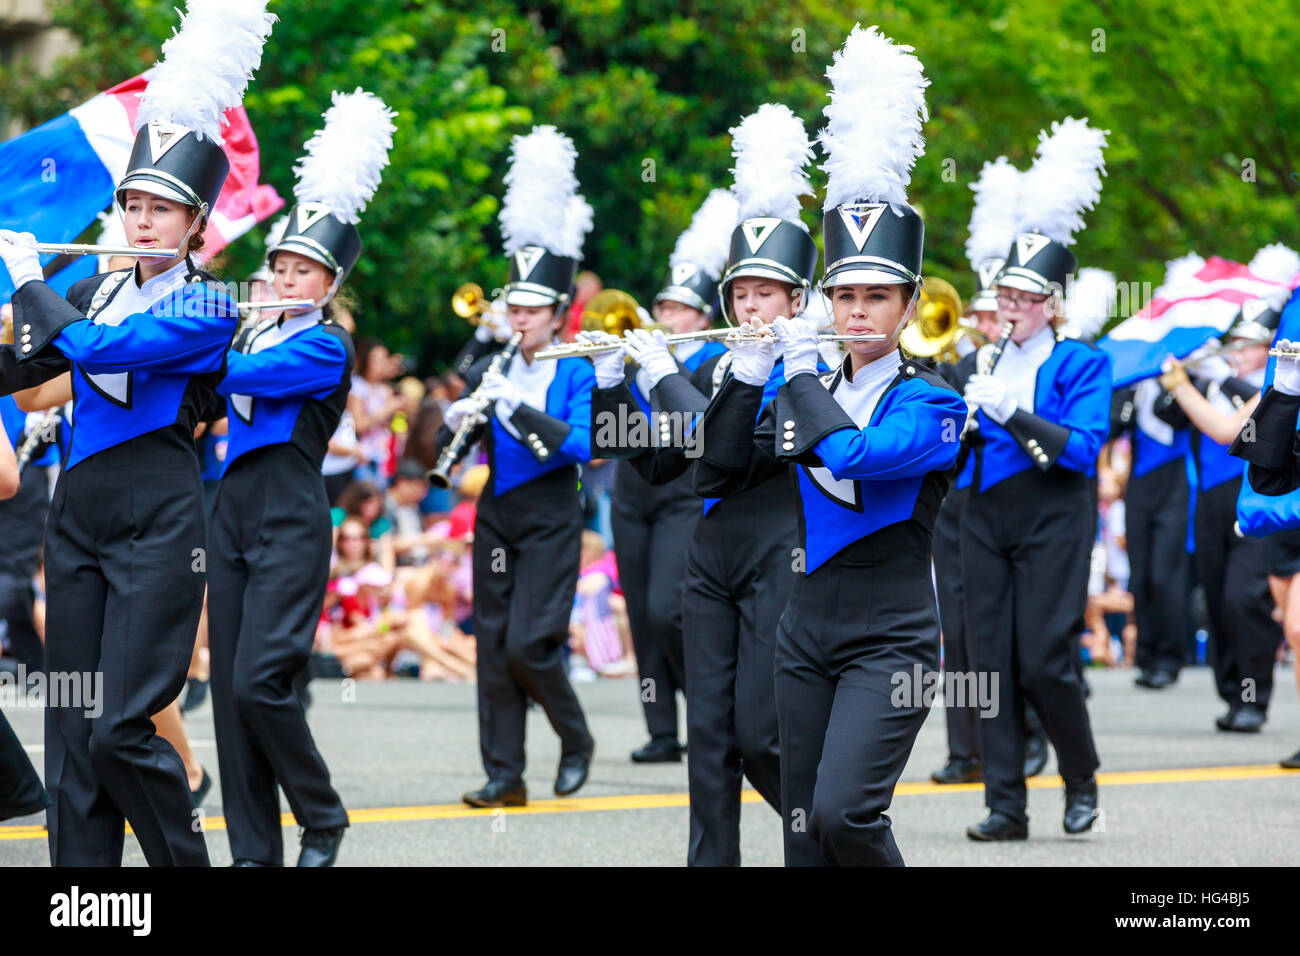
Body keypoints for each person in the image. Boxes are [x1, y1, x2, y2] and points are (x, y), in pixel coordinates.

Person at [0, 0, 275, 865]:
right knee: (73, 735)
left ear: (199, 225)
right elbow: (33, 379)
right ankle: (86, 903)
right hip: (76, 514)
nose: (142, 219)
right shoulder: (93, 288)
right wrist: (15, 317)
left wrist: (29, 281)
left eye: (164, 209)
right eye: (132, 204)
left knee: (123, 725)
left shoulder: (206, 302)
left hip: (157, 520)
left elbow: (111, 351)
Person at [695, 26, 966, 865]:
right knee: (803, 826)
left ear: (910, 303)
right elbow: (716, 466)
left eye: (875, 297)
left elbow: (853, 457)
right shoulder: (799, 383)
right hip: (803, 624)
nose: (856, 311)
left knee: (848, 814)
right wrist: (745, 371)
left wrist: (799, 366)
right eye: (843, 294)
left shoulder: (935, 402)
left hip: (892, 631)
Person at [586, 103, 821, 865]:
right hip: (709, 553)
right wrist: (613, 381)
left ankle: (829, 832)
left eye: (767, 294)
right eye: (741, 294)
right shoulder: (714, 366)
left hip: (778, 548)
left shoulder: (804, 375)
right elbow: (650, 458)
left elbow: (724, 449)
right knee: (710, 738)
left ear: (795, 302)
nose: (750, 308)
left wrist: (664, 381)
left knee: (759, 733)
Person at [206, 88, 395, 867]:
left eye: (302, 270)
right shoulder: (254, 323)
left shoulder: (324, 346)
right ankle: (255, 851)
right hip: (231, 510)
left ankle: (321, 813)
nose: (284, 278)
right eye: (279, 264)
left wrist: (203, 316)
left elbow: (234, 371)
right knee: (227, 697)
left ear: (328, 285)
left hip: (289, 514)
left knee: (261, 683)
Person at [958, 117, 1112, 842]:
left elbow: (1081, 451)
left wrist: (1014, 412)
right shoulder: (979, 363)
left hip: (1054, 514)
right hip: (985, 518)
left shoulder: (1083, 362)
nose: (1009, 308)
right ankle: (1005, 804)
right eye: (1005, 296)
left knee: (1047, 661)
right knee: (989, 665)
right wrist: (957, 426)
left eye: (1025, 298)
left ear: (1052, 302)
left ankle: (1080, 779)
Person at [435, 126, 597, 808]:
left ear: (559, 313)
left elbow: (587, 443)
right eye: (516, 307)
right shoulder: (494, 364)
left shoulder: (576, 366)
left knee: (533, 645)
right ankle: (505, 774)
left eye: (533, 308)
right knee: (495, 646)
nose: (521, 317)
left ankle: (576, 736)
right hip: (497, 511)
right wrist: (461, 426)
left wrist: (521, 412)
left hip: (554, 510)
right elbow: (468, 429)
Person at [604, 188, 734, 762]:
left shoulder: (710, 364)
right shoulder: (644, 362)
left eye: (680, 310)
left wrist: (663, 366)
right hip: (635, 491)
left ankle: (705, 702)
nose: (667, 318)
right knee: (638, 608)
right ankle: (661, 729)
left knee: (668, 607)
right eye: (665, 307)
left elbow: (700, 425)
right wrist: (611, 380)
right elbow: (616, 439)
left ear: (703, 317)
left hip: (685, 494)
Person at [931, 156, 1019, 786]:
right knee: (957, 631)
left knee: (1009, 630)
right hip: (954, 508)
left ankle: (1022, 738)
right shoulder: (955, 364)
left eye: (995, 316)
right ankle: (965, 751)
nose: (984, 326)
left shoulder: (1028, 365)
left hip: (1012, 505)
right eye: (980, 316)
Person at [1159, 319, 1280, 733]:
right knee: (1214, 600)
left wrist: (1197, 383)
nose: (1238, 351)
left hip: (1252, 499)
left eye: (1249, 345)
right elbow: (1164, 415)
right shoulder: (1213, 385)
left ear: (1268, 350)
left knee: (1242, 599)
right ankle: (1232, 695)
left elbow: (1224, 430)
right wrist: (1185, 376)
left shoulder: (1270, 389)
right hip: (1209, 502)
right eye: (1236, 344)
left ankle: (1253, 699)